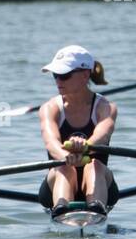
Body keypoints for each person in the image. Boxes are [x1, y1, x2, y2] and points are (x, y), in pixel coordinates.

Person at [38, 45, 118, 217]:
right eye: (55, 75)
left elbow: (103, 134)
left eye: (64, 75)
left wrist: (87, 145)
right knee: (64, 168)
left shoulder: (105, 107)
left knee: (94, 165)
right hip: (58, 182)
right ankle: (61, 210)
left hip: (100, 182)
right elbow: (51, 142)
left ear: (85, 75)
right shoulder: (49, 108)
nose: (58, 81)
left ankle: (96, 210)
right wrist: (65, 155)